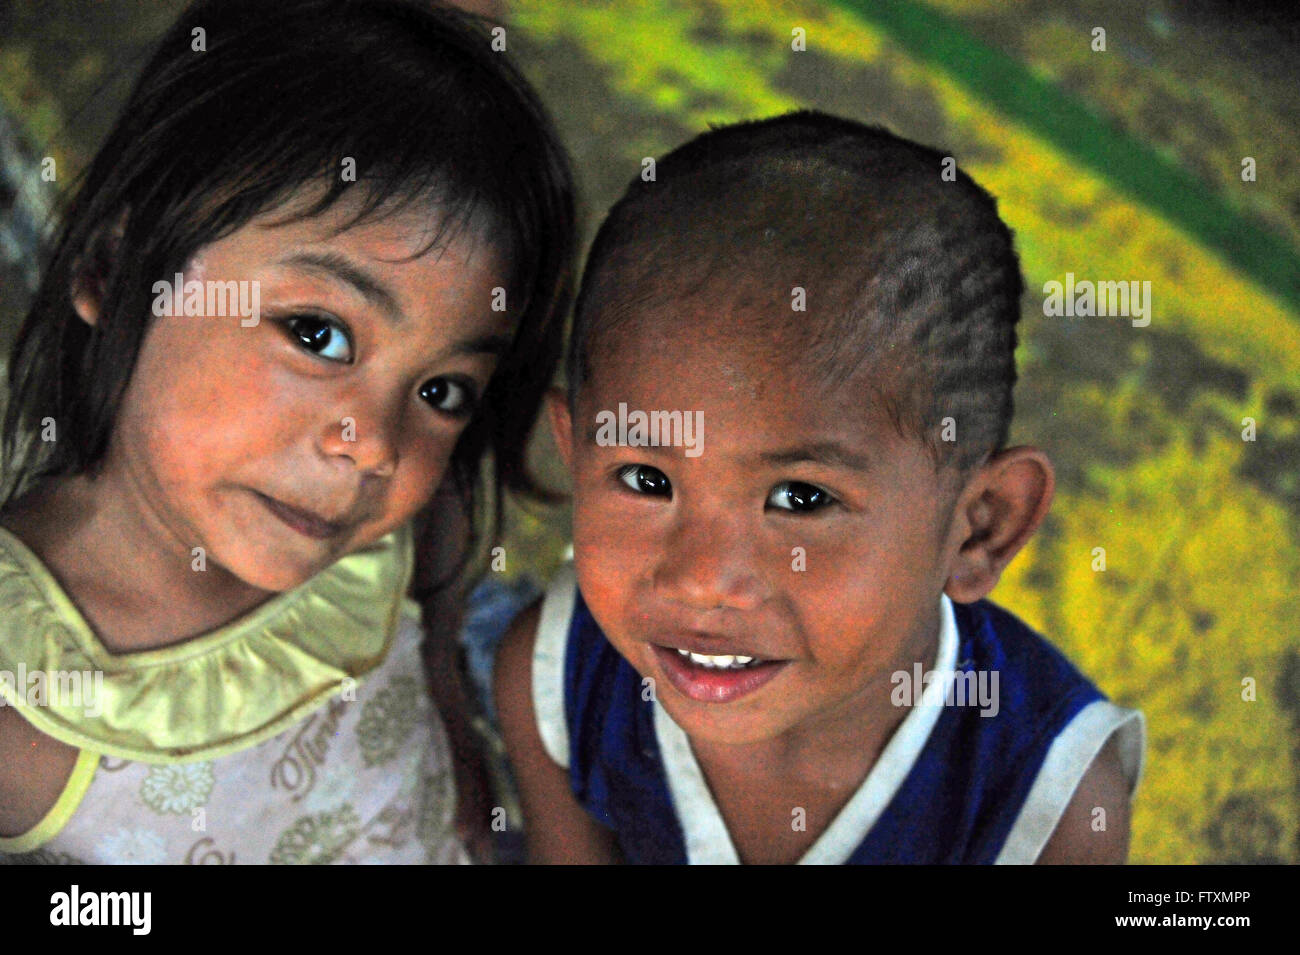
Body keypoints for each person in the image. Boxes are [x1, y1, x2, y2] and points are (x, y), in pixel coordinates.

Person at [0, 0, 575, 864]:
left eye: (443, 389)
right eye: (317, 335)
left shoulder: (379, 529)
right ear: (116, 273)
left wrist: (456, 730)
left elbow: (432, 592)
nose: (376, 445)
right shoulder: (22, 696)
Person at [495, 111, 1145, 864]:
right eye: (646, 479)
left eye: (800, 499)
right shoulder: (557, 674)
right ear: (576, 453)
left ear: (980, 528)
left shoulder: (1046, 807)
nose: (704, 580)